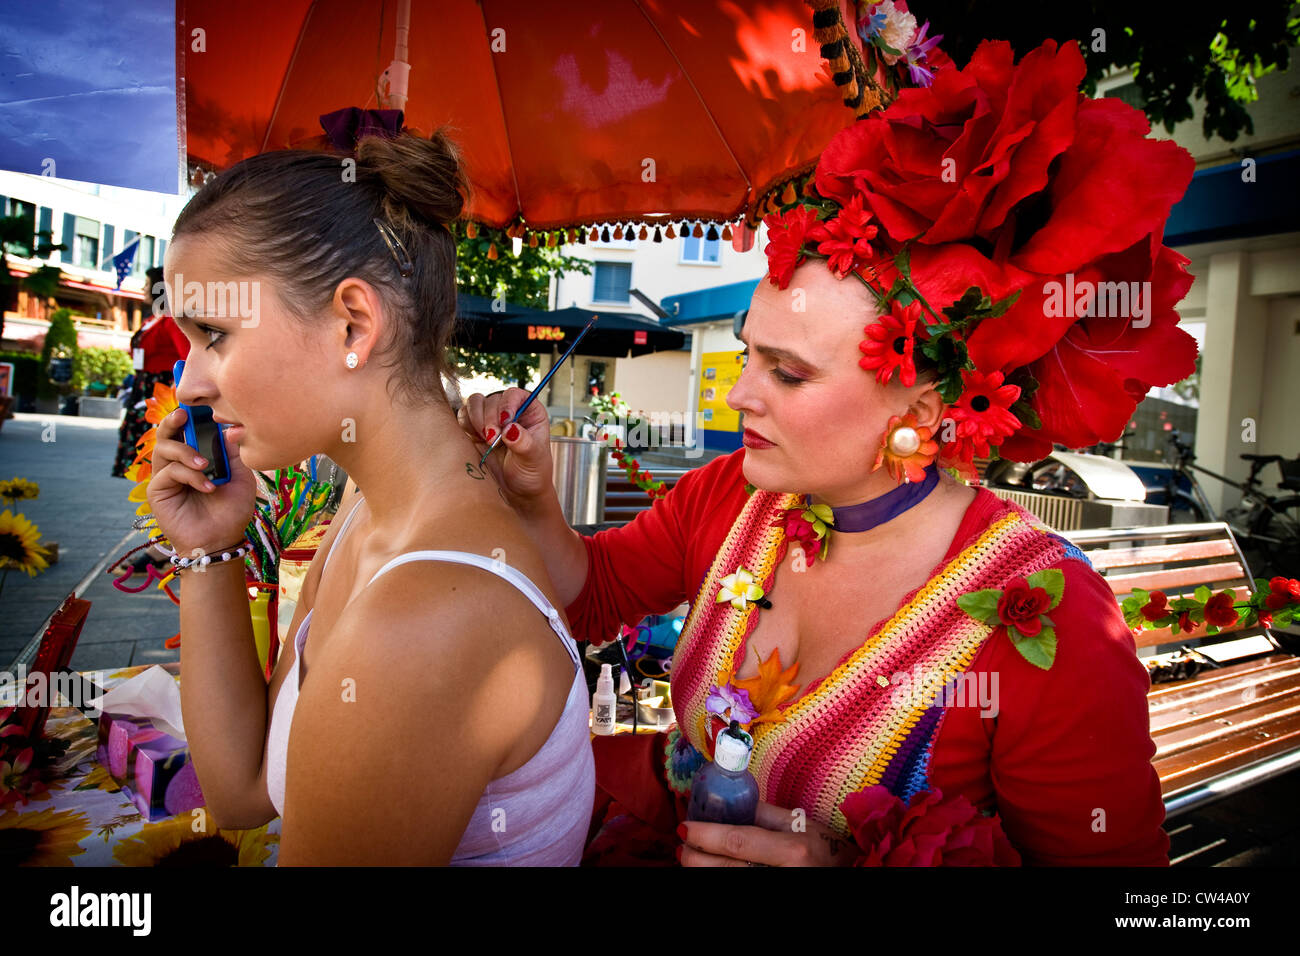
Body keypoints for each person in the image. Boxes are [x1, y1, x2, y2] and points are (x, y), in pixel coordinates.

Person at [459, 38, 1196, 866]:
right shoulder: (733, 495)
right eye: (748, 354)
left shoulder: (1048, 622)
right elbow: (590, 596)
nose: (741, 395)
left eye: (789, 373)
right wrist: (532, 499)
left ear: (919, 406)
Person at [144, 122, 594, 864]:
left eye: (213, 334)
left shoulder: (421, 621)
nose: (189, 383)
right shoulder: (366, 512)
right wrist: (210, 549)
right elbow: (243, 790)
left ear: (354, 322)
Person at [112, 266, 189, 479]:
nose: (143, 288)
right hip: (144, 385)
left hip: (162, 388)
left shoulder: (171, 322)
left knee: (153, 443)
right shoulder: (151, 321)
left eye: (147, 284)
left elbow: (186, 356)